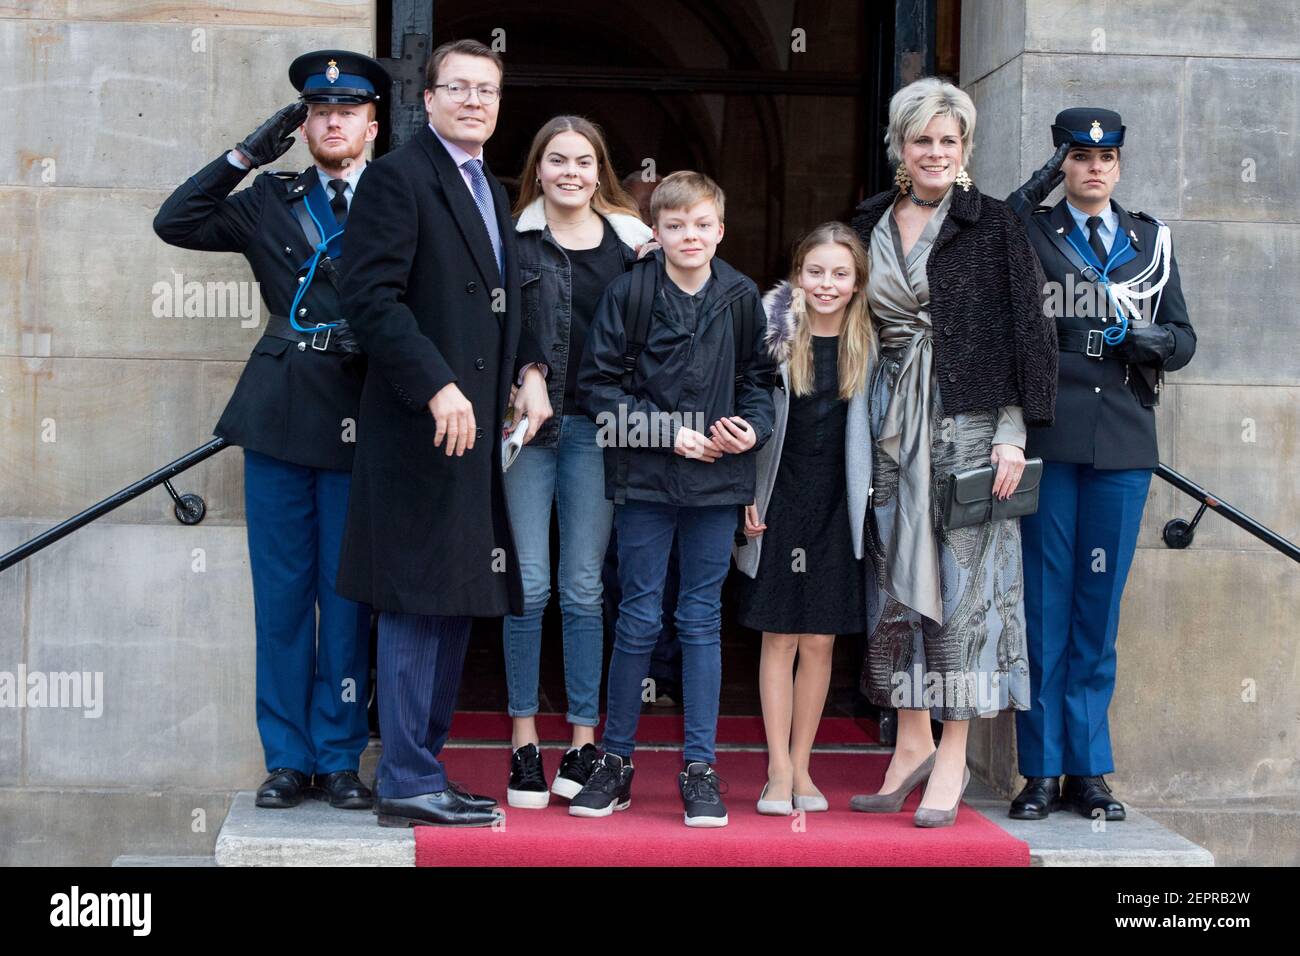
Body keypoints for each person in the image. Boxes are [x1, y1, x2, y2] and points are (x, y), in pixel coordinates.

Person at [153, 50, 389, 811]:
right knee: (282, 599)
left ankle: (341, 756)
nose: (331, 122)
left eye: (346, 112)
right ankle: (287, 757)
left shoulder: (396, 197)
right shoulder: (269, 195)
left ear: (371, 126)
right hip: (283, 416)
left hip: (364, 417)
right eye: (318, 113)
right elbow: (175, 221)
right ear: (303, 124)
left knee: (346, 601)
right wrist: (245, 153)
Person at [336, 39, 553, 828]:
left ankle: (424, 765)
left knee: (455, 600)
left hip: (475, 439)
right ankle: (403, 777)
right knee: (414, 601)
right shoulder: (398, 178)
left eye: (486, 89)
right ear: (424, 101)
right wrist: (437, 385)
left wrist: (529, 369)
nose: (472, 100)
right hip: (418, 432)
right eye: (456, 87)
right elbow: (370, 300)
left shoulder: (490, 188)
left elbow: (507, 301)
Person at [847, 77, 1057, 827]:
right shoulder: (868, 219)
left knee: (966, 597)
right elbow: (825, 303)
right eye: (921, 139)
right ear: (900, 147)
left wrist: (1012, 431)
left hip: (969, 429)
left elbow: (1029, 335)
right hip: (888, 429)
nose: (935, 152)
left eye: (949, 140)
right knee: (895, 585)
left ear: (965, 149)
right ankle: (909, 742)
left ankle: (956, 753)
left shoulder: (994, 223)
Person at [1005, 109, 1196, 822]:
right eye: (1078, 158)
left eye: (1104, 158)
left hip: (1121, 442)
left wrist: (1149, 339)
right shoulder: (1032, 230)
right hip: (1051, 439)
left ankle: (1089, 769)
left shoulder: (1151, 239)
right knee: (1045, 607)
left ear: (1118, 164)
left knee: (1097, 610)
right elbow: (985, 231)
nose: (1093, 169)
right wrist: (1037, 185)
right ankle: (1041, 770)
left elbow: (1184, 337)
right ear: (1063, 164)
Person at [572, 171, 777, 827]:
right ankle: (616, 761)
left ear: (721, 228)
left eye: (702, 224)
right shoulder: (630, 292)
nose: (690, 236)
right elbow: (597, 389)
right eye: (676, 225)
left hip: (718, 483)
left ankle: (699, 767)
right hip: (646, 480)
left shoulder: (744, 296)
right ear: (653, 231)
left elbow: (760, 384)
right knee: (636, 617)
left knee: (699, 620)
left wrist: (753, 428)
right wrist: (668, 434)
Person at [501, 117, 652, 808]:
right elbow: (490, 326)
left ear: (600, 171)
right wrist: (518, 374)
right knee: (528, 585)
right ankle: (524, 743)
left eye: (583, 161)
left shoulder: (632, 249)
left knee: (584, 588)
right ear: (538, 169)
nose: (569, 171)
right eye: (556, 159)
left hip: (598, 432)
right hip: (528, 431)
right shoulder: (512, 241)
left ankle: (584, 742)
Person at [734, 223, 876, 816]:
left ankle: (806, 764)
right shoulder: (771, 337)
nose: (826, 283)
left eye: (840, 273)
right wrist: (744, 490)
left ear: (856, 282)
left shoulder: (871, 344)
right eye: (815, 271)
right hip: (778, 498)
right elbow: (741, 409)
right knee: (779, 634)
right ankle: (777, 769)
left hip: (838, 506)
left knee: (820, 639)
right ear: (797, 276)